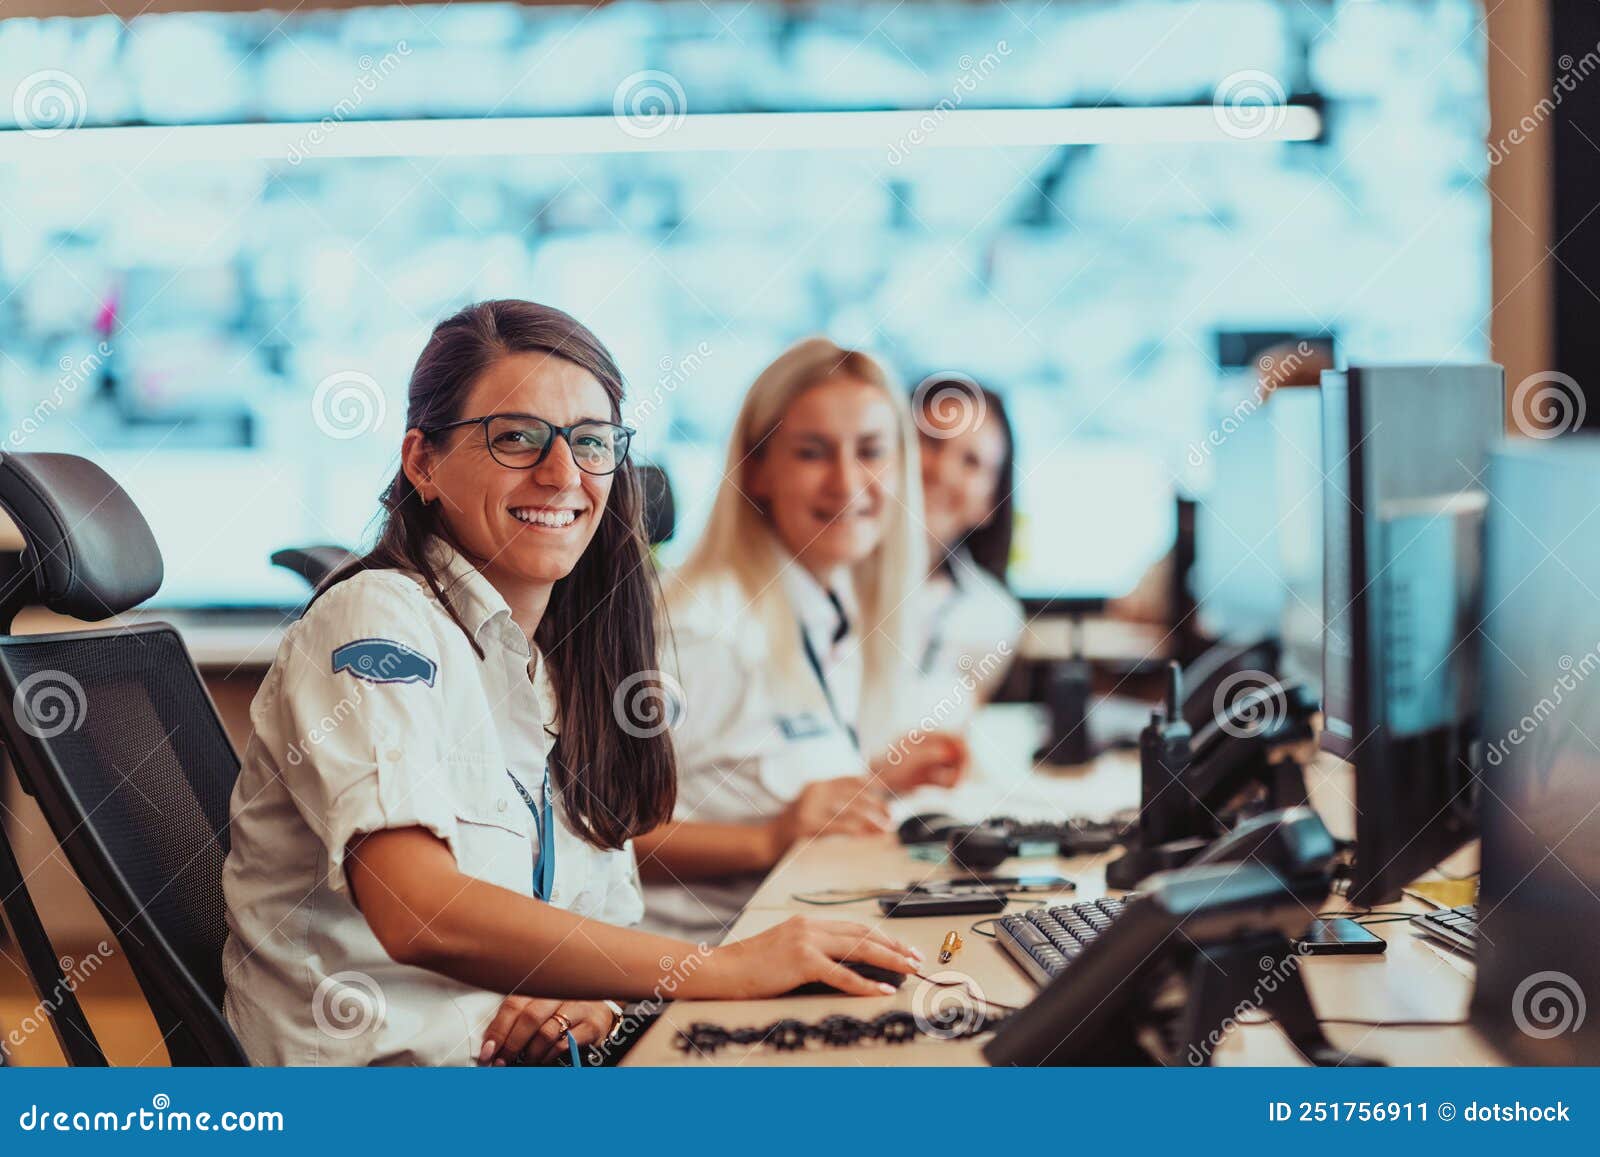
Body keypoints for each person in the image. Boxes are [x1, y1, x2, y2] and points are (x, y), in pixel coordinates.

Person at [222, 302, 921, 1067]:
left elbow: (599, 919)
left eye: (591, 442)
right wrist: (718, 971)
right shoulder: (374, 621)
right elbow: (418, 910)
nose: (563, 474)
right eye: (516, 437)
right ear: (422, 461)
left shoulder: (554, 670)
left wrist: (595, 998)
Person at [636, 338, 969, 942]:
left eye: (871, 451)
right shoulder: (703, 629)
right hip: (683, 981)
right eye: (813, 453)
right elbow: (601, 842)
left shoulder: (827, 599)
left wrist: (875, 781)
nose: (847, 483)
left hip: (798, 938)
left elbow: (748, 777)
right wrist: (770, 838)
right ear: (759, 470)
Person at [907, 374, 1024, 730]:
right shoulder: (817, 578)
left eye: (971, 461)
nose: (942, 471)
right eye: (931, 441)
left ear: (991, 501)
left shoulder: (993, 617)